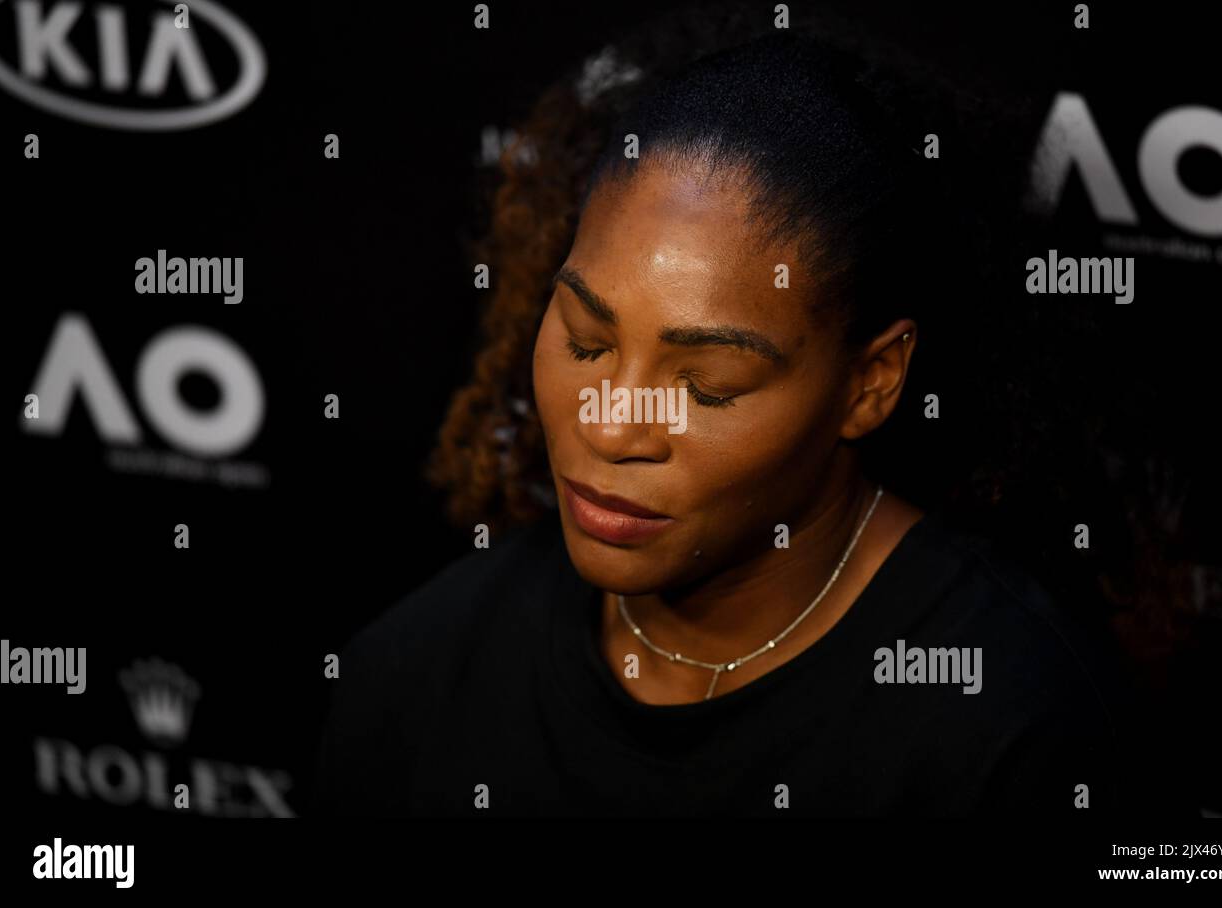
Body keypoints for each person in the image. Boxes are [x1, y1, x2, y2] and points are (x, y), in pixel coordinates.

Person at [314, 32, 1171, 816]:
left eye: (709, 385)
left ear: (871, 383)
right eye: (584, 342)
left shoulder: (1022, 729)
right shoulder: (414, 678)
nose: (614, 427)